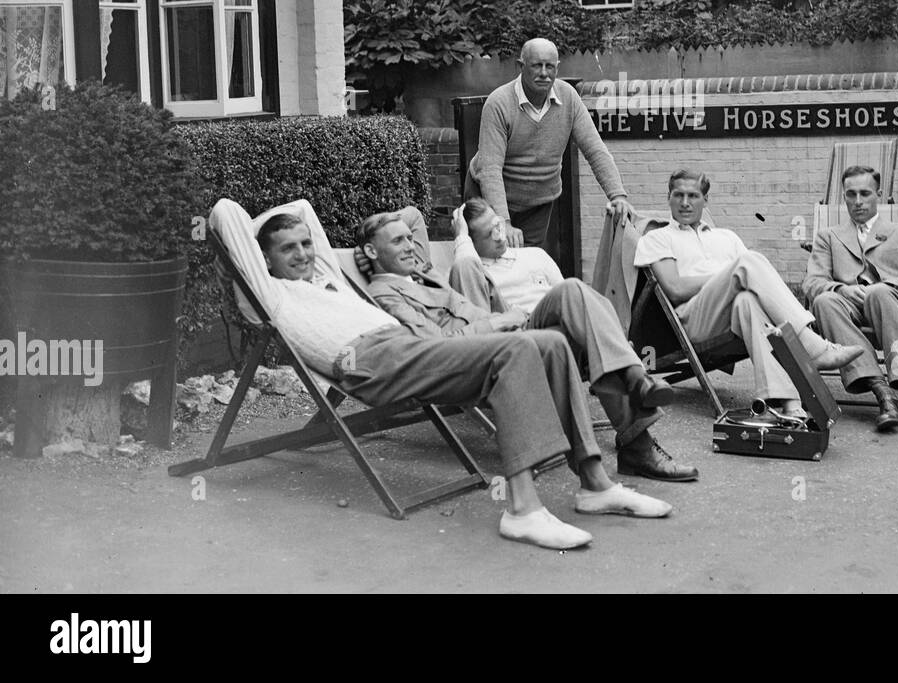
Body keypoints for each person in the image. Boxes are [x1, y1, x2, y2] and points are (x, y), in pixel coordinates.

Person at [209, 197, 671, 551]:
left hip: (406, 348)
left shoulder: (327, 279)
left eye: (306, 243)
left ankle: (596, 485)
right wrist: (259, 238)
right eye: (287, 248)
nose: (303, 253)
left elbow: (304, 211)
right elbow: (226, 213)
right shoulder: (270, 293)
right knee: (514, 351)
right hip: (372, 360)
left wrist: (300, 236)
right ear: (262, 259)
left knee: (548, 342)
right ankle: (522, 509)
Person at [359, 204, 698, 482]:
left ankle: (634, 379)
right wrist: (497, 321)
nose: (408, 246)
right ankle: (637, 423)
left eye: (408, 240)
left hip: (517, 328)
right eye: (398, 242)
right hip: (494, 351)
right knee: (589, 328)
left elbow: (413, 215)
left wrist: (380, 248)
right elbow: (435, 346)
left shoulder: (422, 272)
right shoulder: (386, 292)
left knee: (573, 290)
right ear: (375, 251)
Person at [633, 169, 864, 419]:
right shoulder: (657, 237)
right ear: (668, 197)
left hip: (731, 316)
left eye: (693, 195)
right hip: (693, 320)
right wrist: (728, 275)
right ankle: (810, 343)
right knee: (747, 263)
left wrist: (733, 276)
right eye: (678, 195)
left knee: (747, 301)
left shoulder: (726, 237)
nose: (685, 203)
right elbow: (675, 289)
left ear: (705, 200)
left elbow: (753, 282)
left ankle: (786, 400)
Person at [465, 37, 634, 259]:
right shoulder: (498, 103)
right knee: (488, 261)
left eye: (550, 66)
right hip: (488, 198)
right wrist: (502, 221)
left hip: (538, 203)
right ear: (521, 66)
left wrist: (618, 195)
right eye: (536, 65)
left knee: (529, 264)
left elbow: (595, 150)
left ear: (557, 68)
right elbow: (490, 169)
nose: (544, 73)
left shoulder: (569, 97)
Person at [803, 165, 898, 434]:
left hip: (894, 306)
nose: (857, 201)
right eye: (850, 194)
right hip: (849, 311)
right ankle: (884, 393)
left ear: (878, 194)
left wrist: (883, 286)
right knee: (824, 301)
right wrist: (841, 289)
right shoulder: (829, 237)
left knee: (878, 293)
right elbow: (812, 283)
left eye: (864, 193)